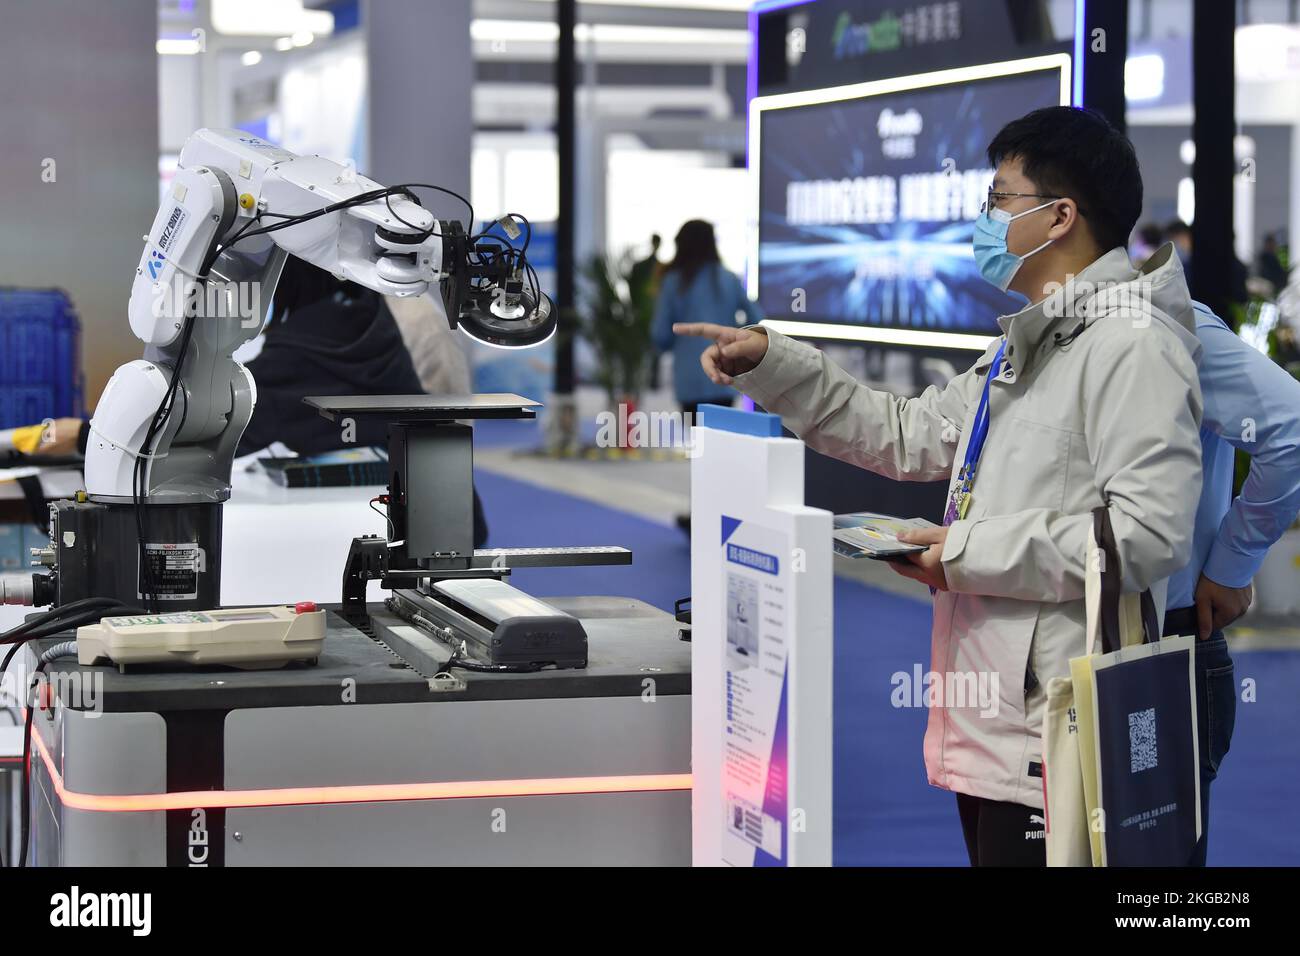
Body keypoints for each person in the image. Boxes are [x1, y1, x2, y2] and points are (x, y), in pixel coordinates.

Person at [677, 106, 1204, 866]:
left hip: (1056, 728)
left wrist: (962, 552)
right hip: (998, 724)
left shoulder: (1133, 345)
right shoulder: (1029, 344)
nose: (984, 219)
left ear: (1060, 217)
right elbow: (903, 432)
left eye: (999, 200)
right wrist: (773, 361)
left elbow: (1147, 536)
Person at [1168, 297, 1300, 865]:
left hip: (1164, 644)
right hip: (1067, 643)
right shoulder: (1040, 330)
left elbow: (1290, 428)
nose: (990, 217)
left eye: (1001, 200)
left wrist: (1232, 563)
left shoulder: (1169, 321)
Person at [652, 220, 761, 420]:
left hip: (688, 380)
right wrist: (734, 337)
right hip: (724, 372)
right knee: (720, 441)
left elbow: (660, 335)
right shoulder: (728, 279)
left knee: (698, 443)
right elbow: (757, 319)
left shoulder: (673, 282)